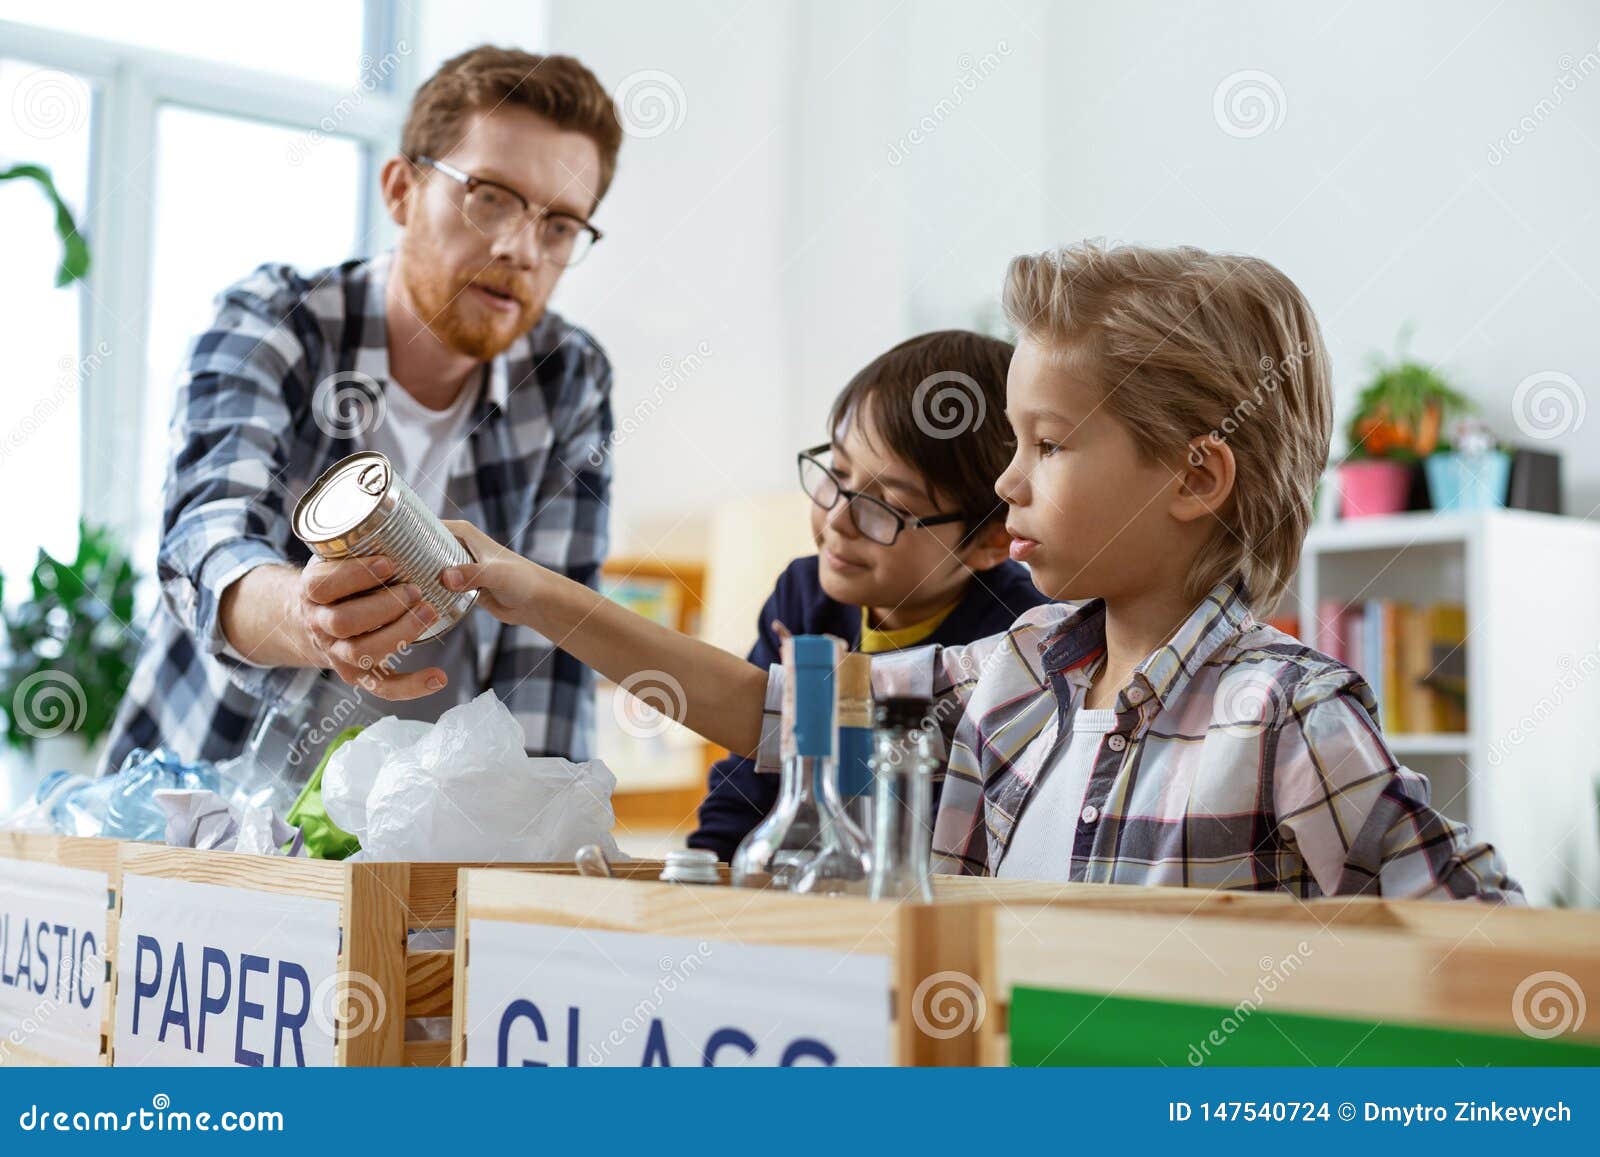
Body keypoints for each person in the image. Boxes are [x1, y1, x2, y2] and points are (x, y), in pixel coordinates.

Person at [438, 241, 1521, 900]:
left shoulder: (1285, 715)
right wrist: (533, 592)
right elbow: (770, 712)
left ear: (1195, 476)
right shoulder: (1006, 674)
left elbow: (1480, 943)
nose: (1007, 482)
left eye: (1047, 446)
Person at [102, 47, 622, 776]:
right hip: (203, 802)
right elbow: (206, 540)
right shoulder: (273, 322)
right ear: (402, 190)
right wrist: (310, 619)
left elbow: (550, 650)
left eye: (560, 224)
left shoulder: (570, 378)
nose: (520, 248)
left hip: (416, 830)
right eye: (491, 196)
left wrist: (543, 845)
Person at [686, 331, 1050, 861]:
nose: (837, 519)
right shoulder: (803, 595)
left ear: (991, 541)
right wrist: (705, 868)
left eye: (887, 507)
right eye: (836, 473)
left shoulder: (1018, 634)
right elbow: (752, 765)